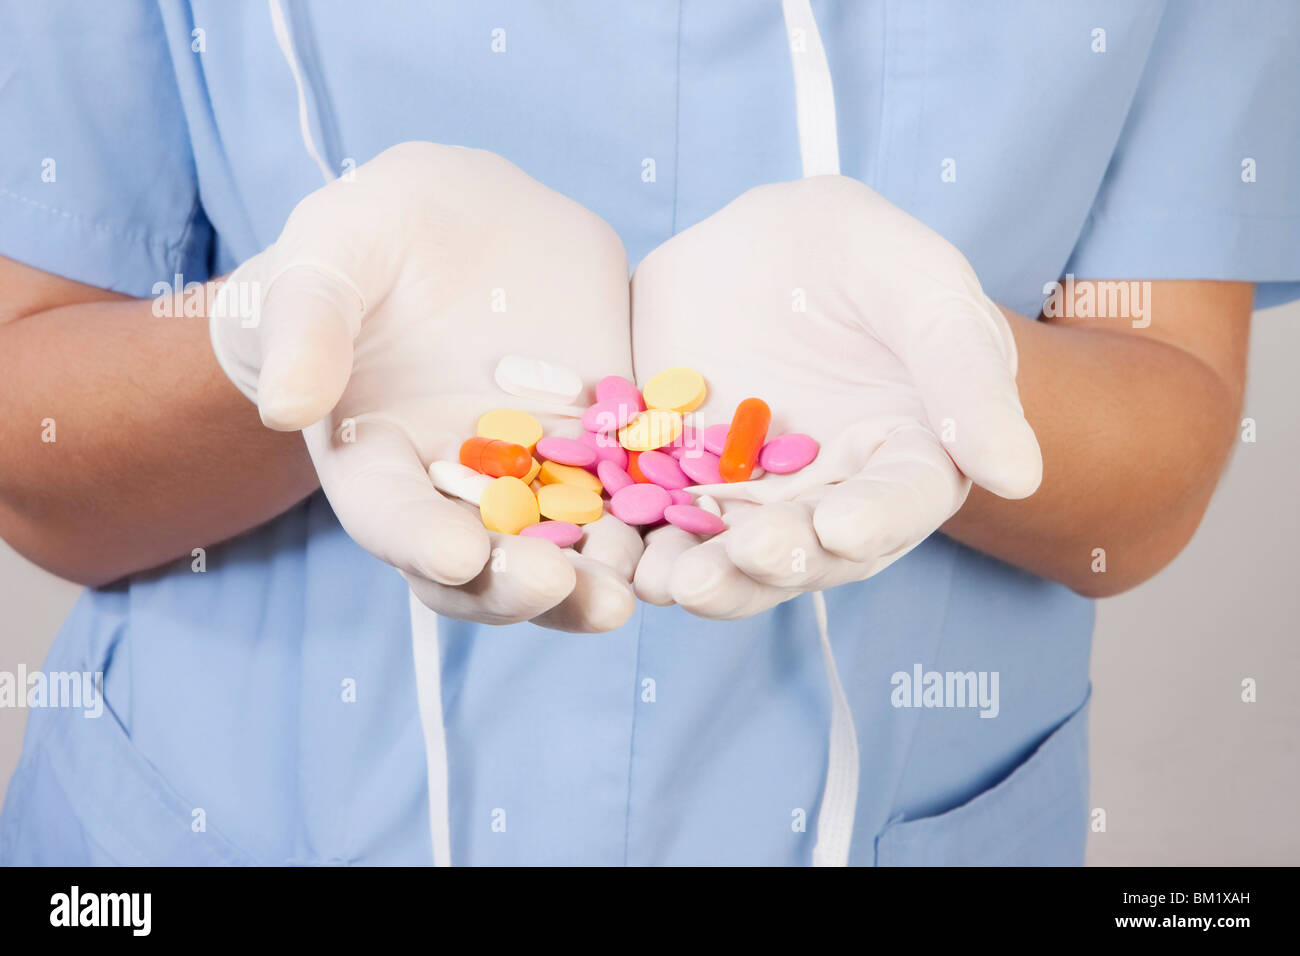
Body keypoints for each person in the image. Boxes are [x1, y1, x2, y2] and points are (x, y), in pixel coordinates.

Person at [1, 0, 1296, 866]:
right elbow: (35, 439)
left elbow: (1158, 451)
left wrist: (952, 369)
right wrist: (273, 337)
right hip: (209, 821)